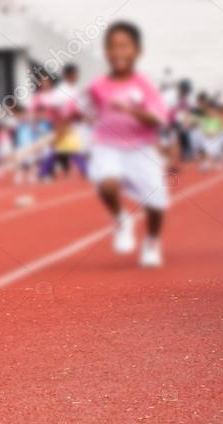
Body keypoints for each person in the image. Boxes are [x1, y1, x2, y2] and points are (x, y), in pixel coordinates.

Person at [87, 22, 170, 268]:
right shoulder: (97, 86)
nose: (118, 52)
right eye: (112, 47)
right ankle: (122, 218)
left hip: (140, 148)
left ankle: (152, 242)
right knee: (106, 184)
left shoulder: (145, 85)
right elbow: (91, 110)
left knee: (156, 204)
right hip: (107, 146)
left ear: (136, 51)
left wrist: (130, 110)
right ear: (106, 53)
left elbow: (158, 119)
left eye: (124, 46)